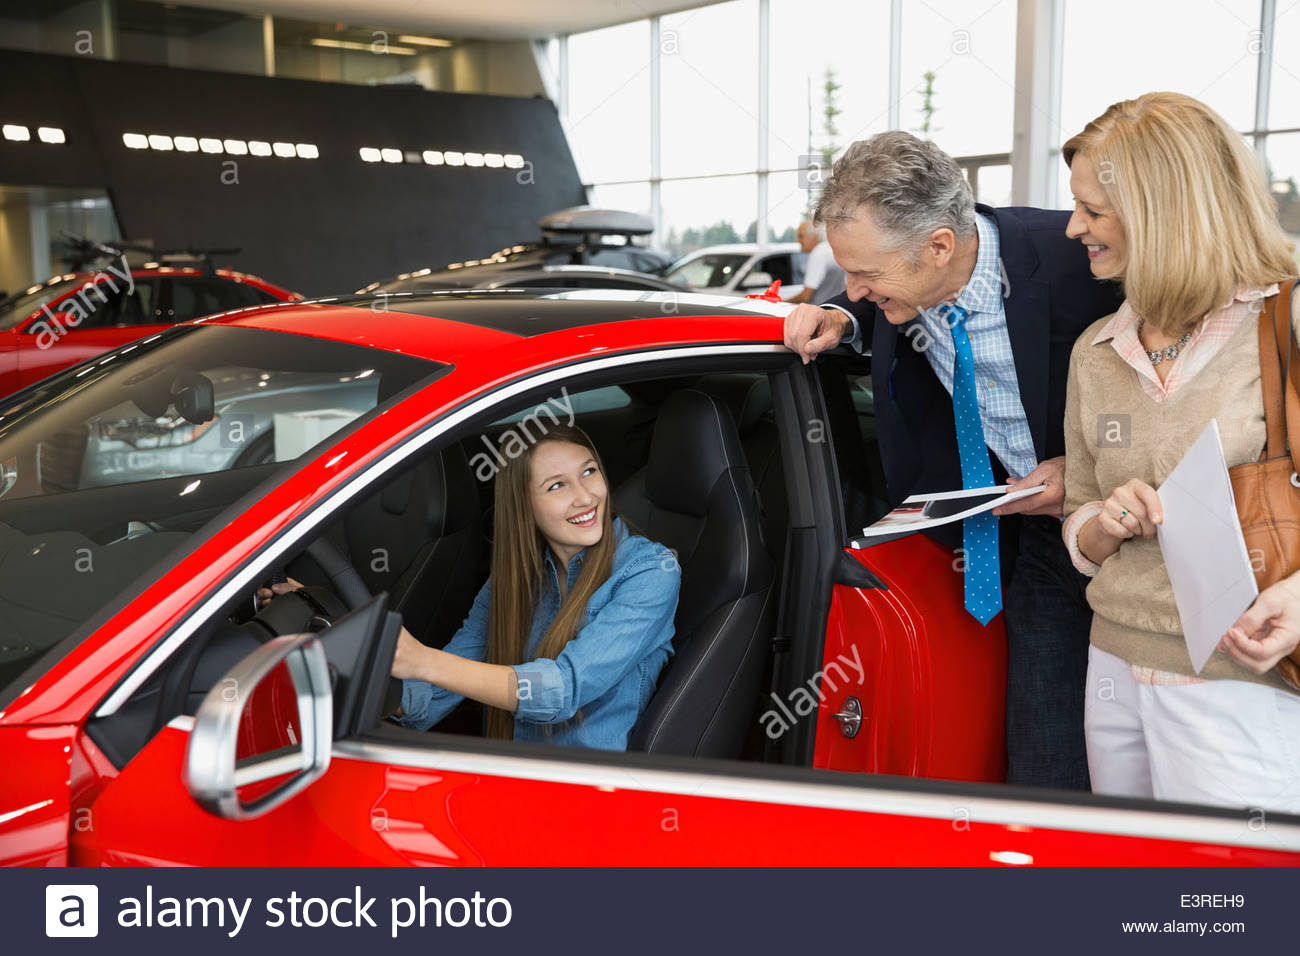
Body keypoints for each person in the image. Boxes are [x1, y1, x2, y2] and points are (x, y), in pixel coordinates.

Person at [782, 131, 1123, 790]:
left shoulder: (1079, 257)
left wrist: (1084, 473)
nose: (850, 287)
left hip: (1140, 534)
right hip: (1038, 546)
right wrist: (842, 319)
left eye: (865, 274)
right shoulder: (905, 284)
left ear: (940, 246)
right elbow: (870, 307)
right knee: (1044, 757)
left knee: (1153, 759)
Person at [1060, 92, 1300, 812]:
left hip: (1246, 682)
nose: (1074, 228)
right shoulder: (1096, 349)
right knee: (1141, 901)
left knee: (1225, 909)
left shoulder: (1284, 326)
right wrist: (1103, 523)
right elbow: (1076, 512)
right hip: (1112, 667)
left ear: (1163, 213)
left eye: (1093, 211)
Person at [262, 425, 680, 750]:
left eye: (589, 472)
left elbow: (563, 690)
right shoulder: (514, 580)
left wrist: (423, 661)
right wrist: (329, 628)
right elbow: (427, 701)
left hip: (590, 798)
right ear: (524, 505)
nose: (586, 496)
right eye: (557, 485)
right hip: (507, 780)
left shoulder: (650, 572)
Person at [784, 220, 846, 304]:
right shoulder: (831, 249)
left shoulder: (818, 253)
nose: (797, 240)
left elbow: (806, 296)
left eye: (800, 236)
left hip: (819, 310)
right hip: (834, 308)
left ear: (814, 237)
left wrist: (782, 302)